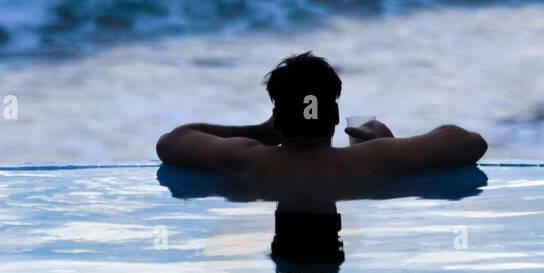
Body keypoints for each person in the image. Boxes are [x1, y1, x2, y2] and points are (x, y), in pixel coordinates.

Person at [155, 52, 487, 191]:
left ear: (277, 116)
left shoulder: (245, 159)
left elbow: (172, 141)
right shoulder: (376, 158)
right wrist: (387, 140)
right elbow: (468, 142)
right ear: (335, 116)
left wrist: (257, 132)